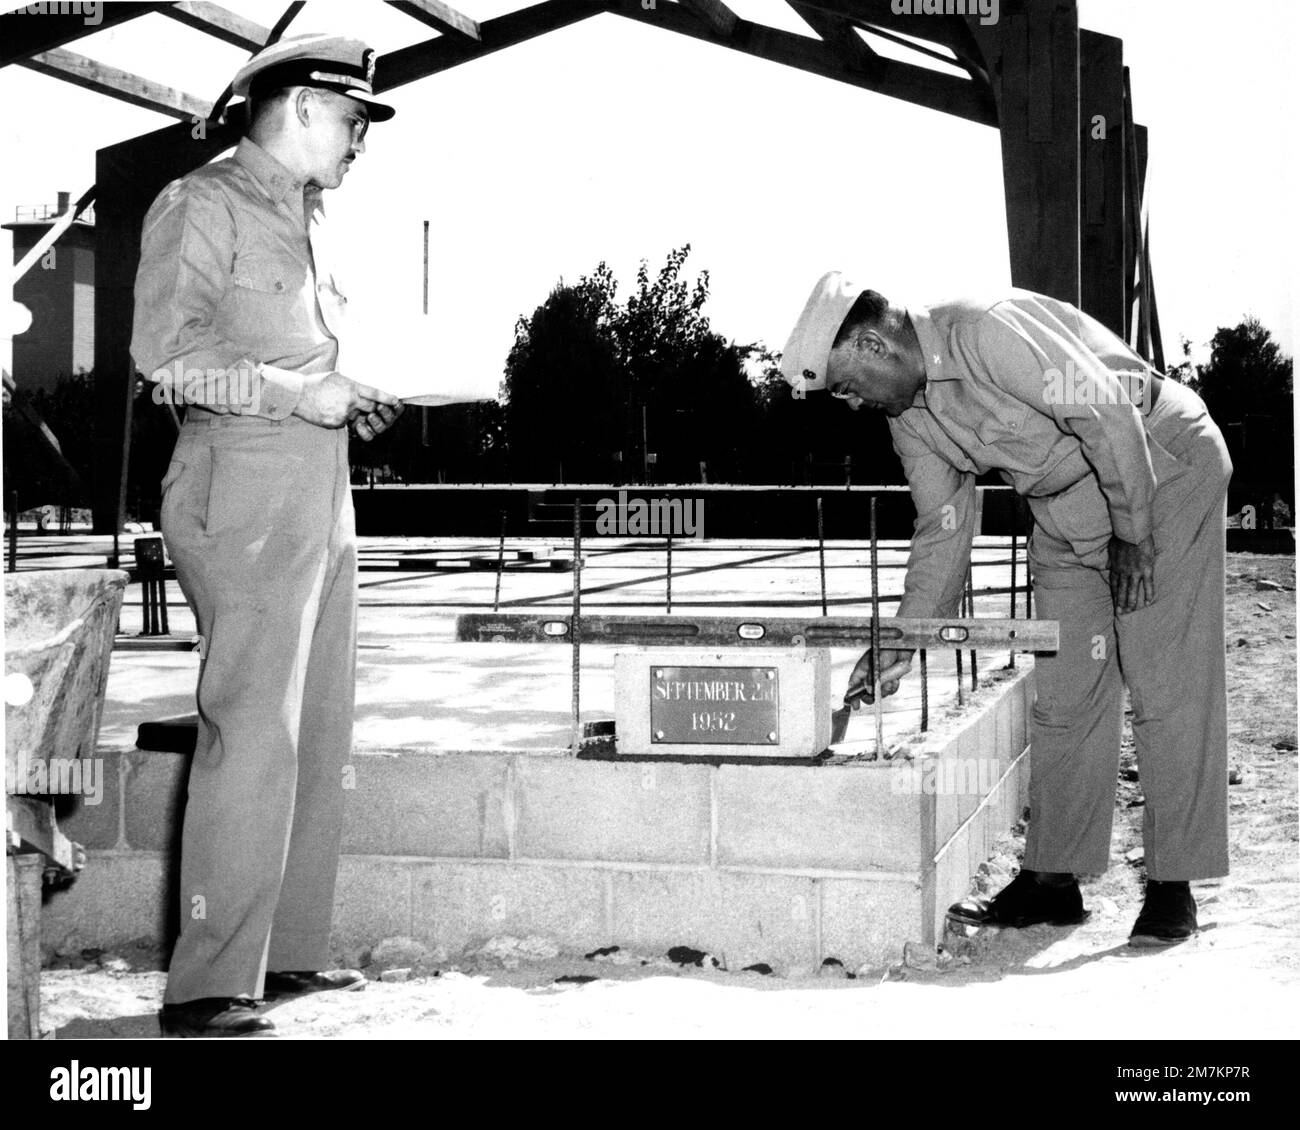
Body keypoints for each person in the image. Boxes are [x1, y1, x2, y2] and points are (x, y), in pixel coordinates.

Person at [780, 273, 1232, 947]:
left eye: (846, 386)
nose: (850, 404)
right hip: (1065, 509)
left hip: (1156, 467)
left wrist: (1135, 536)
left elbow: (1106, 412)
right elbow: (943, 527)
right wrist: (900, 644)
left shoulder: (985, 331)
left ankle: (1175, 885)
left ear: (873, 344)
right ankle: (1054, 879)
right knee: (1067, 686)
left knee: (1164, 678)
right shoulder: (908, 418)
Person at [130, 34, 403, 1036]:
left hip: (315, 490)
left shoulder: (310, 217)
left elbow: (295, 347)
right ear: (296, 106)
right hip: (237, 487)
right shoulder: (201, 202)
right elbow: (166, 362)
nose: (361, 137)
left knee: (316, 729)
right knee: (251, 729)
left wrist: (342, 395)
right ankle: (206, 984)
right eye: (353, 116)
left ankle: (281, 957)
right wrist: (298, 390)